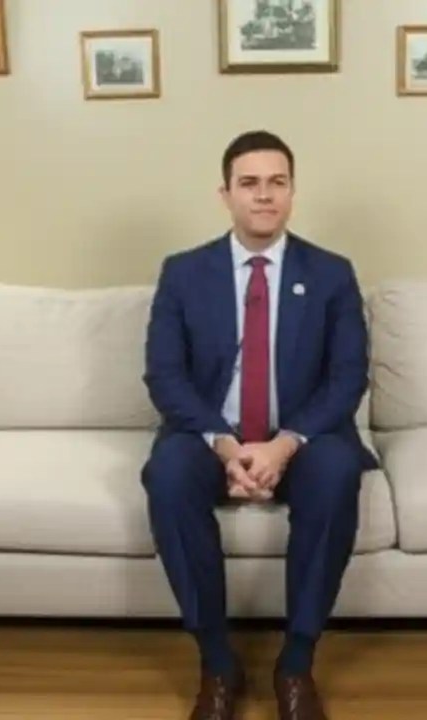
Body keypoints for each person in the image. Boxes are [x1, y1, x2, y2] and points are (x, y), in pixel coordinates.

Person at [141, 130, 377, 720]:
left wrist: (282, 445)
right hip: (208, 437)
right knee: (166, 476)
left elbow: (347, 377)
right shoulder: (183, 273)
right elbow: (164, 377)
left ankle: (296, 663)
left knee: (337, 472)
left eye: (278, 183)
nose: (264, 196)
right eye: (250, 183)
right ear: (226, 194)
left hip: (303, 435)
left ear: (293, 192)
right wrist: (226, 448)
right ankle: (217, 663)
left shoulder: (331, 273)